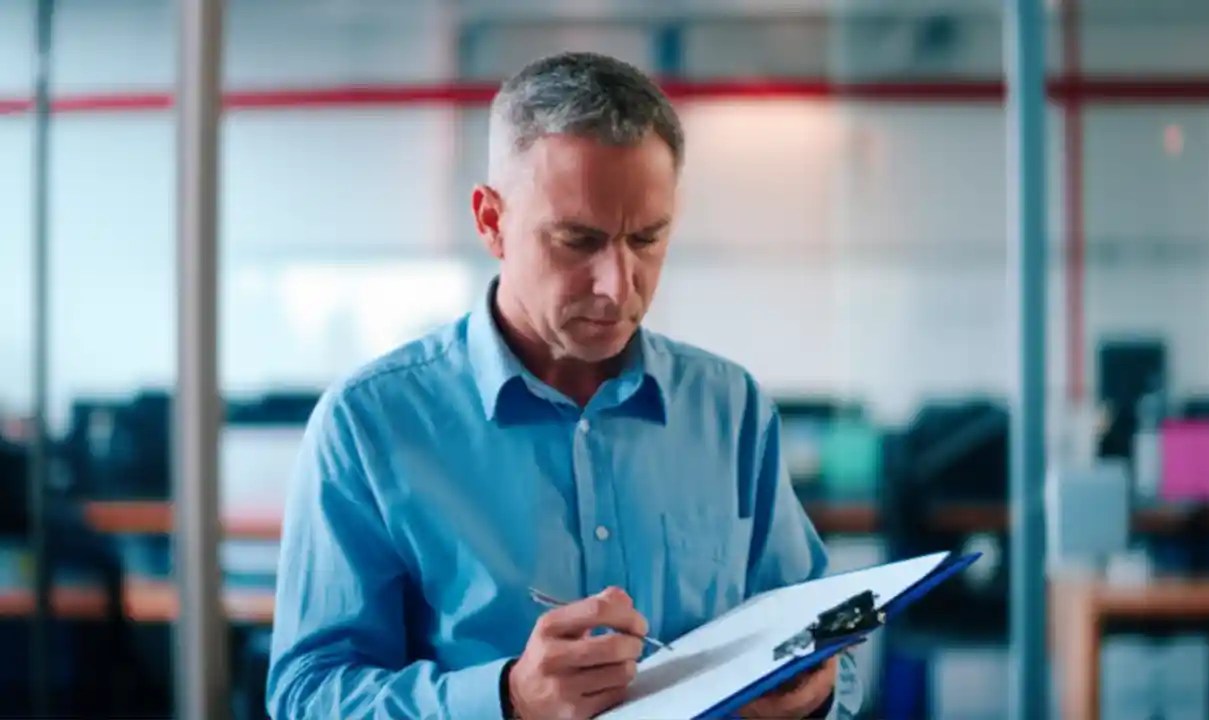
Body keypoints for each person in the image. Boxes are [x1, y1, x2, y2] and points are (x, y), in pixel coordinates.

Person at [266, 51, 860, 719]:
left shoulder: (731, 409)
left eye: (647, 238)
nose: (618, 284)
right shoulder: (369, 425)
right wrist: (508, 700)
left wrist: (814, 694)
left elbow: (823, 640)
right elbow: (308, 697)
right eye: (578, 241)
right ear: (492, 221)